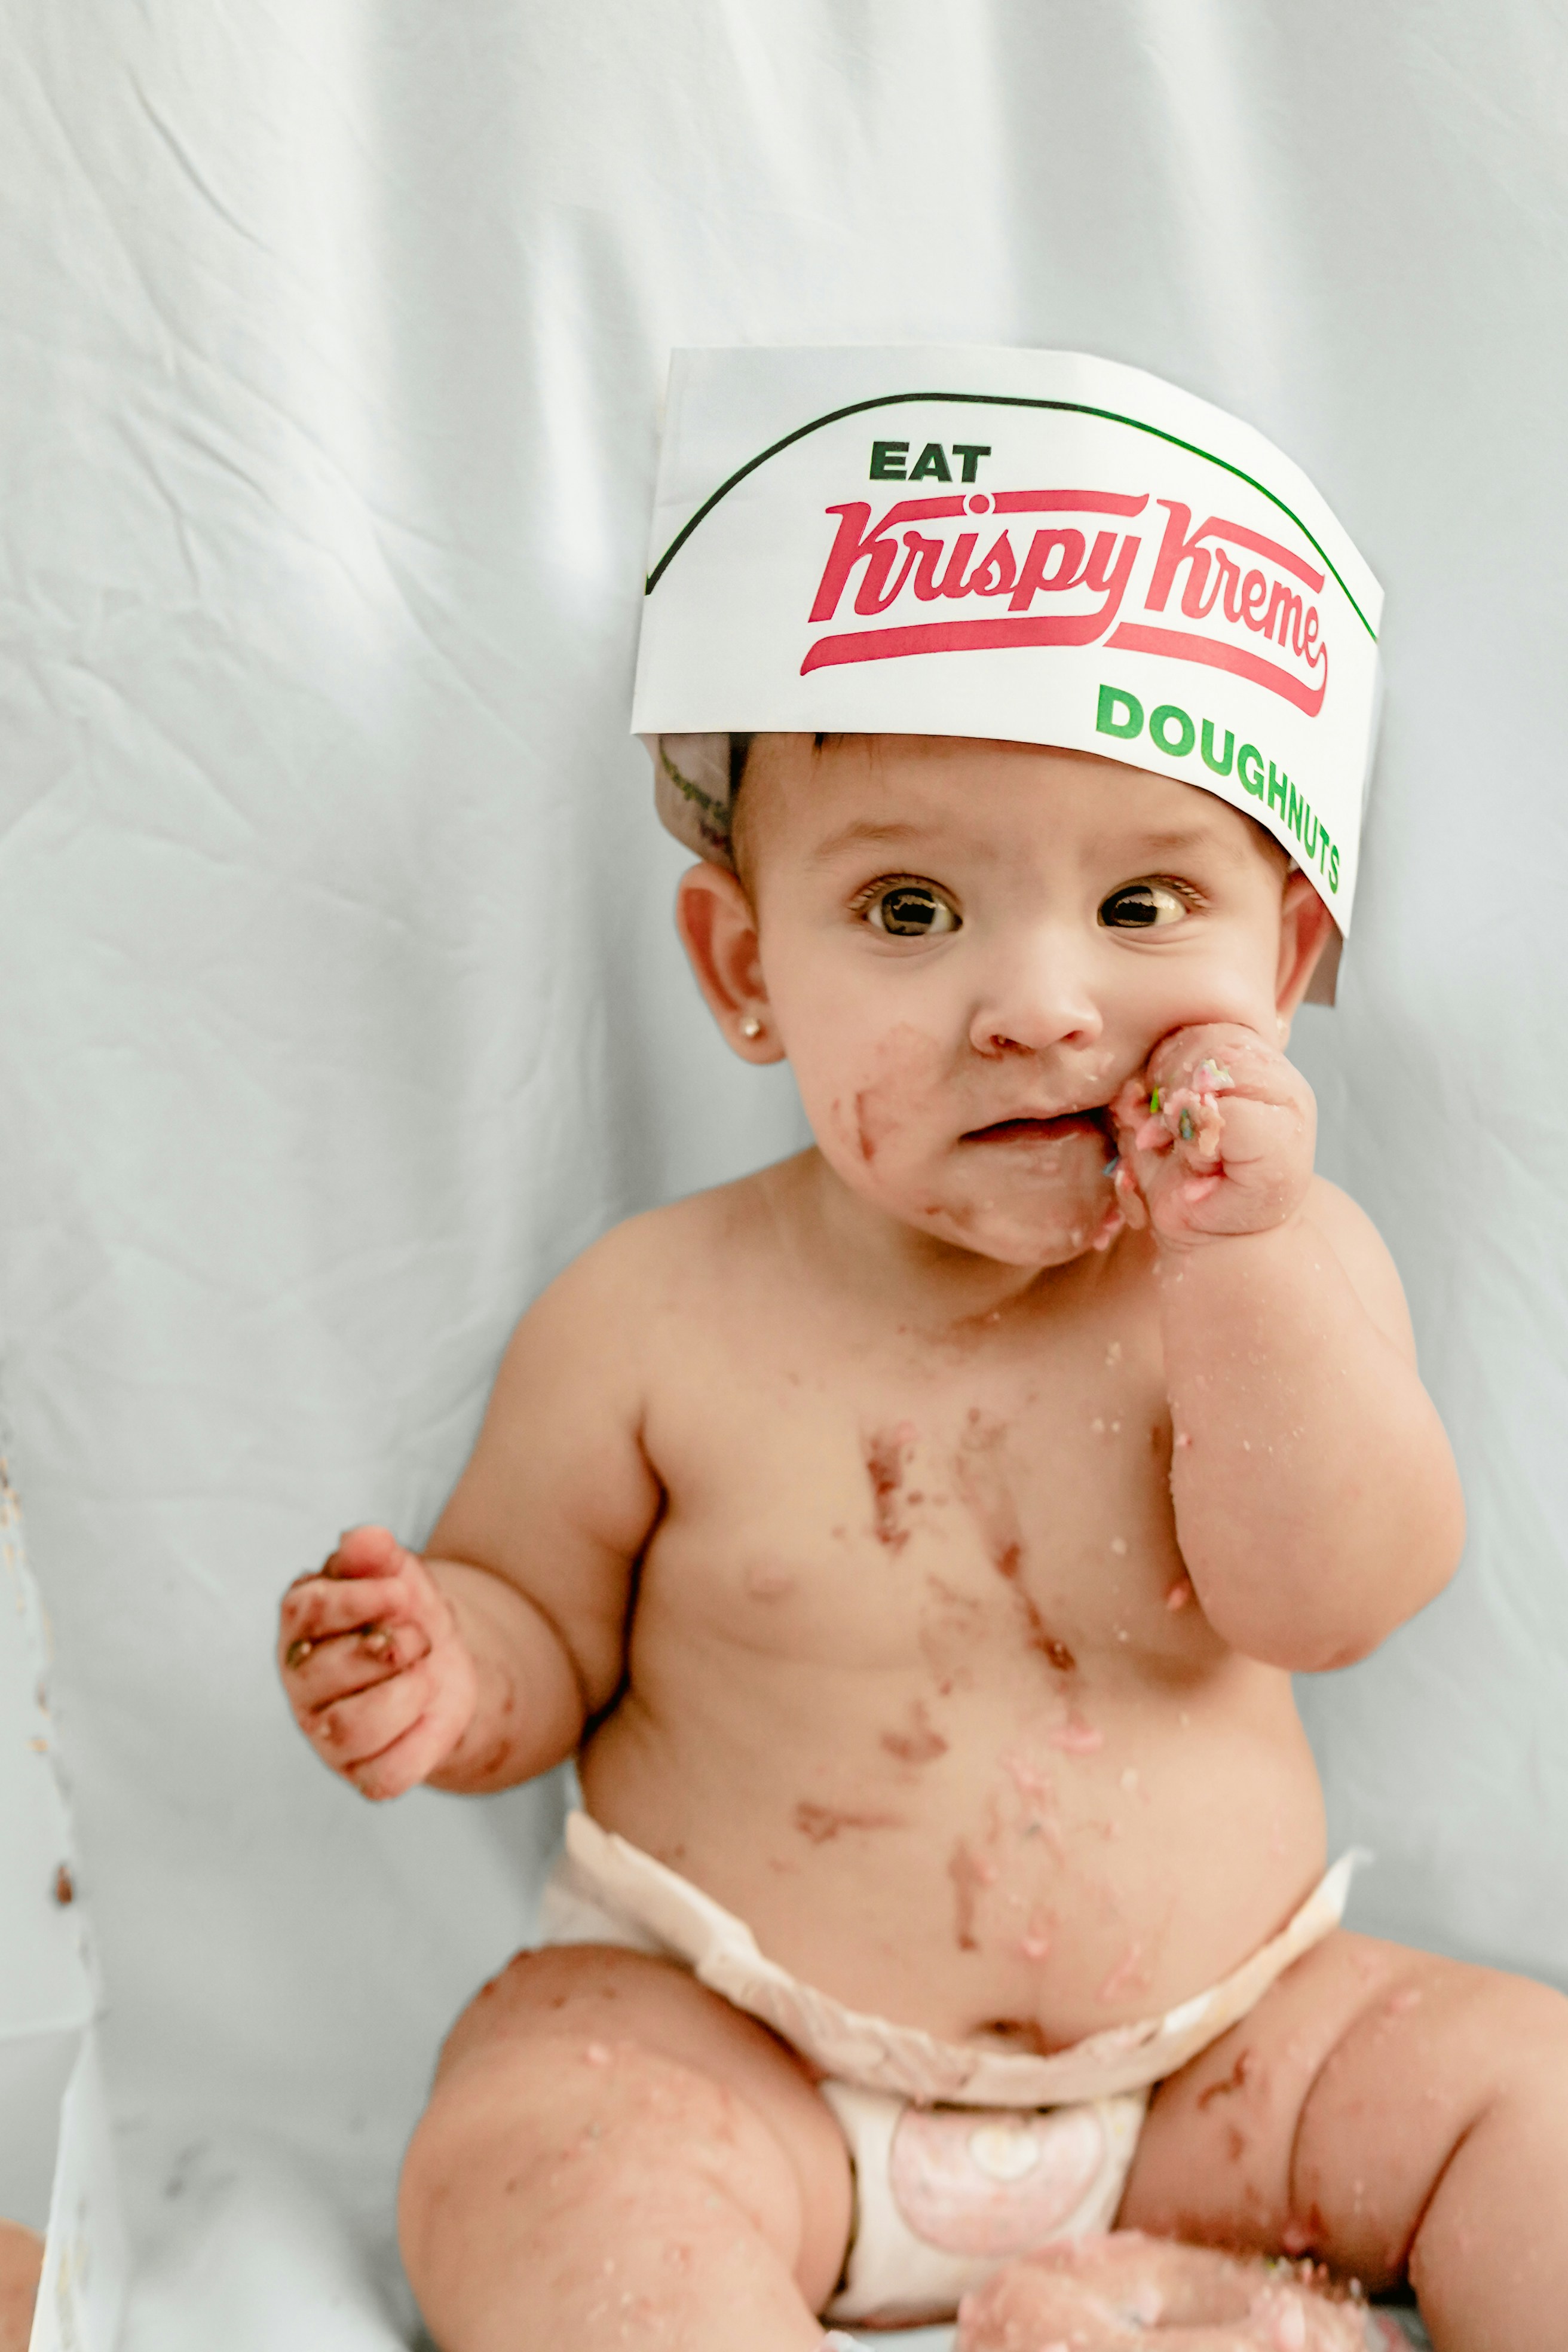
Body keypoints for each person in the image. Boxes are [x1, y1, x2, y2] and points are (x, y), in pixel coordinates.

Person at [278, 354, 1568, 2351]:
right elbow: (540, 1618)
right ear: (743, 968)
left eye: (1145, 901)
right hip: (734, 2044)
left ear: (1286, 964)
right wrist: (451, 1671)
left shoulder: (1284, 1278)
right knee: (535, 2154)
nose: (1042, 1005)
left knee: (1538, 2103)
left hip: (1221, 2058)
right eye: (907, 906)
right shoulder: (654, 1312)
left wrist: (1242, 1262)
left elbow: (1337, 1600)